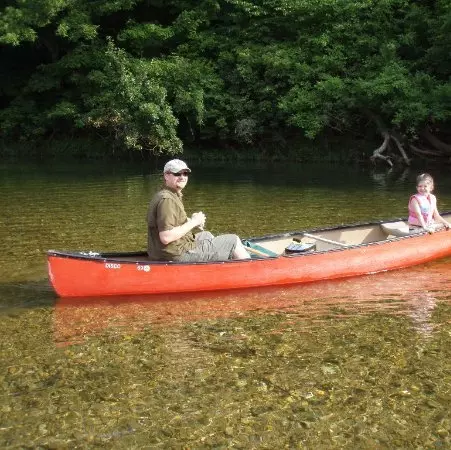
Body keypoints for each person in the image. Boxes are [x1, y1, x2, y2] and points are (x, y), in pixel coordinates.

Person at [147, 159, 251, 261]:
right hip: (175, 253)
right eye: (177, 174)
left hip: (165, 251)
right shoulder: (167, 200)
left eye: (185, 173)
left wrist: (191, 220)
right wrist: (194, 222)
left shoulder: (167, 194)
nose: (182, 177)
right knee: (233, 240)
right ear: (166, 175)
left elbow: (172, 222)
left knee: (207, 235)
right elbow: (166, 237)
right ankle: (249, 271)